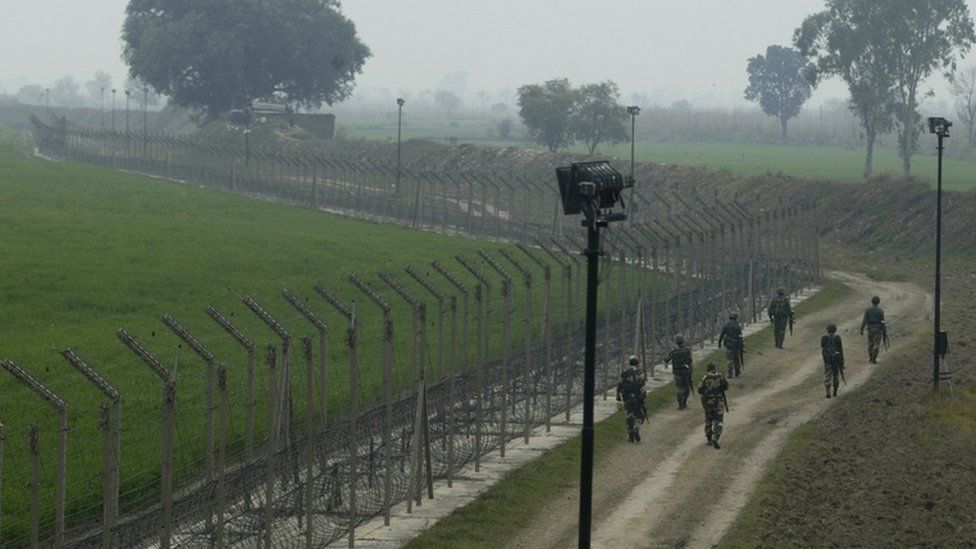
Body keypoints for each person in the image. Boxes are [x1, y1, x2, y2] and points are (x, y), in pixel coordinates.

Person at [697, 362, 729, 449]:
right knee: (719, 419)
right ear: (715, 368)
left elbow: (699, 389)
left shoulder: (705, 377)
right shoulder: (721, 376)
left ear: (708, 369)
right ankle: (716, 436)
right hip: (718, 400)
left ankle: (709, 439)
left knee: (708, 419)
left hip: (708, 401)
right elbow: (726, 386)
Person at [616, 355, 647, 442]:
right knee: (639, 414)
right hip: (637, 397)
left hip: (627, 397)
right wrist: (643, 397)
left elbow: (619, 385)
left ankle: (630, 435)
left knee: (629, 415)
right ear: (637, 363)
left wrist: (617, 395)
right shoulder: (640, 372)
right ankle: (636, 427)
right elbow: (642, 386)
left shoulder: (625, 372)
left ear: (629, 363)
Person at [666, 335, 694, 410]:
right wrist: (691, 371)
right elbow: (690, 361)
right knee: (686, 388)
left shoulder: (673, 351)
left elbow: (667, 359)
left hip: (677, 372)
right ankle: (684, 402)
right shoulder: (687, 350)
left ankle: (680, 404)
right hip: (686, 372)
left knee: (680, 388)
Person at [821, 323, 845, 398]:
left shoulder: (824, 338)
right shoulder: (837, 338)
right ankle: (835, 391)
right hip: (836, 360)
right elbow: (840, 350)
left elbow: (822, 346)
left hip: (827, 359)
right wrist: (842, 362)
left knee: (827, 375)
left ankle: (828, 390)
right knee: (836, 375)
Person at [860, 296, 886, 364]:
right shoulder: (880, 311)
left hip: (870, 328)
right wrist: (884, 331)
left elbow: (864, 320)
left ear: (872, 302)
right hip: (878, 328)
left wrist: (861, 329)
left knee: (870, 343)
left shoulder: (868, 310)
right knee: (876, 343)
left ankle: (870, 357)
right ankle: (874, 358)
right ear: (878, 302)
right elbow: (883, 322)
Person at [718, 312, 744, 378]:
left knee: (729, 359)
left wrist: (719, 343)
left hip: (728, 344)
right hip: (736, 344)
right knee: (736, 358)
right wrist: (742, 346)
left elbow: (722, 335)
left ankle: (730, 373)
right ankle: (737, 371)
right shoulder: (737, 325)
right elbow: (740, 336)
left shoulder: (726, 325)